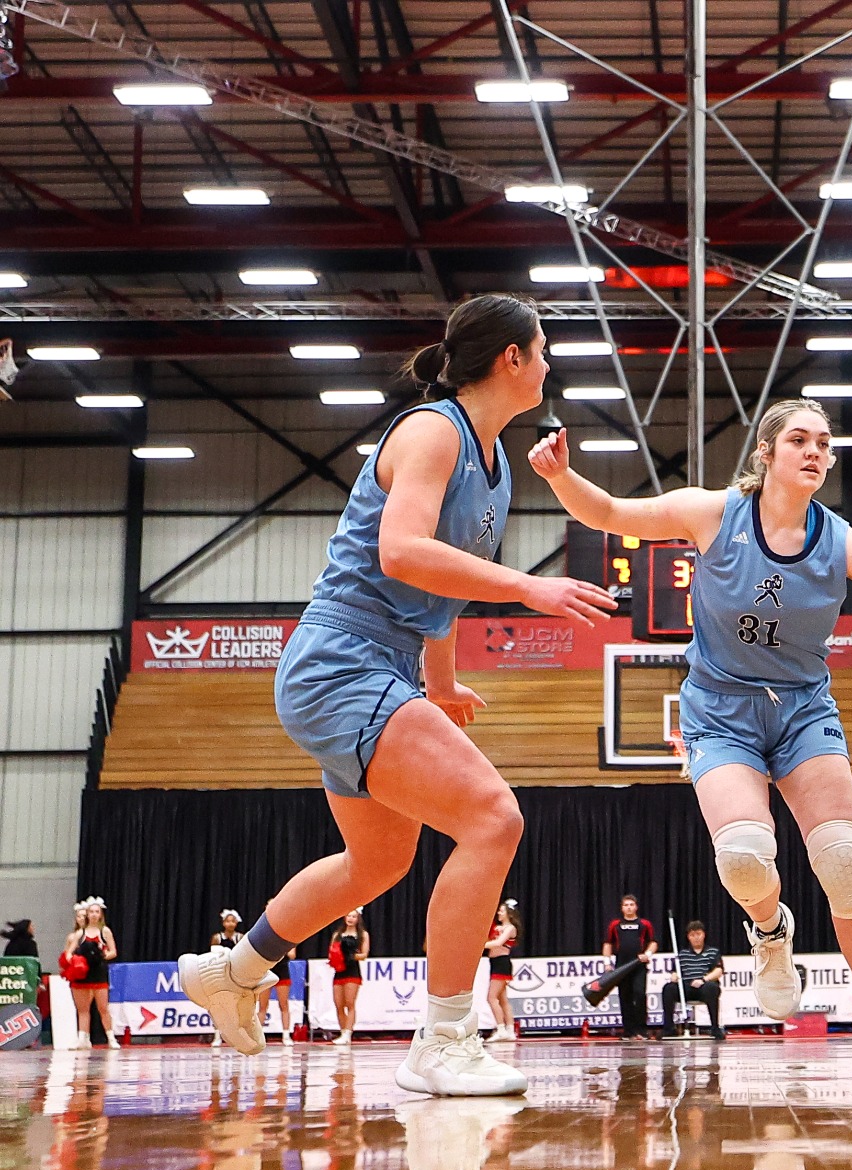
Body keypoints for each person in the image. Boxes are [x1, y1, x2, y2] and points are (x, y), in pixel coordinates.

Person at [177, 295, 612, 1097]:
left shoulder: (495, 464)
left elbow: (437, 589)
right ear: (510, 358)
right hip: (339, 657)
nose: (549, 363)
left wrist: (441, 685)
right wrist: (527, 587)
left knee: (379, 860)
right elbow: (403, 550)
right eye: (542, 349)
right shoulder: (432, 430)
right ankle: (444, 1037)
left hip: (387, 666)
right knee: (494, 817)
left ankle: (232, 971)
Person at [531, 397, 852, 1078]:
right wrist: (558, 475)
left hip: (802, 711)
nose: (816, 451)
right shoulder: (714, 514)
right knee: (746, 857)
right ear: (767, 453)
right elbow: (609, 514)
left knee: (845, 863)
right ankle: (769, 929)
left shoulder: (845, 542)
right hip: (720, 713)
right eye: (800, 440)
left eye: (824, 442)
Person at [63, 897, 117, 1049]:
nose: (93, 915)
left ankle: (111, 1038)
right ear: (87, 914)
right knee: (83, 1009)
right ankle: (83, 1038)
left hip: (99, 972)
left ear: (101, 914)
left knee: (103, 1008)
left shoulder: (104, 931)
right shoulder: (81, 933)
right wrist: (75, 961)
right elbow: (68, 952)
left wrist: (100, 956)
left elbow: (113, 951)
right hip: (83, 974)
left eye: (96, 912)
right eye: (91, 912)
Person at [602, 894, 657, 1041]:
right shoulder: (615, 925)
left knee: (639, 994)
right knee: (624, 997)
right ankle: (628, 1031)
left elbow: (653, 942)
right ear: (622, 908)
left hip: (639, 966)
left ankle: (642, 1029)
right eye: (626, 905)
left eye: (631, 904)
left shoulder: (645, 924)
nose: (629, 907)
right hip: (621, 967)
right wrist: (607, 963)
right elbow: (608, 943)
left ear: (636, 907)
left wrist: (648, 954)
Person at [674, 920, 726, 1038]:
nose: (696, 938)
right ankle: (669, 1028)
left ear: (704, 934)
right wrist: (674, 976)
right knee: (668, 989)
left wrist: (703, 980)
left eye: (698, 934)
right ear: (688, 937)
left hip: (705, 987)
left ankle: (715, 1027)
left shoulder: (713, 952)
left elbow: (719, 971)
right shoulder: (682, 954)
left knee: (712, 988)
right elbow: (675, 972)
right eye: (692, 935)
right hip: (687, 987)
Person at [207, 910, 245, 1048]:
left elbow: (242, 956)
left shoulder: (240, 937)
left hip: (235, 975)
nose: (230, 923)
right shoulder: (217, 938)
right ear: (223, 923)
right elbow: (212, 957)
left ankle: (237, 1036)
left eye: (233, 921)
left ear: (236, 923)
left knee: (237, 1007)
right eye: (227, 921)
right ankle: (217, 1035)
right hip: (220, 974)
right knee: (218, 1006)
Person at [329, 908, 367, 1045]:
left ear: (358, 919)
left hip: (352, 971)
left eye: (353, 916)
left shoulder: (362, 934)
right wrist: (337, 956)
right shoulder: (337, 934)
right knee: (339, 1004)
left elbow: (364, 955)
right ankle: (342, 1031)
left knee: (350, 1003)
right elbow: (331, 952)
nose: (350, 919)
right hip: (339, 971)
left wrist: (351, 955)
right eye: (348, 916)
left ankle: (348, 1033)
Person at [484, 899, 519, 1044]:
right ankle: (510, 1031)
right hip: (495, 963)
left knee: (491, 998)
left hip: (502, 963)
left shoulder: (510, 928)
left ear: (509, 913)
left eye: (501, 910)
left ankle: (501, 1029)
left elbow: (498, 943)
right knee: (503, 999)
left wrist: (479, 945)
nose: (499, 913)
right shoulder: (499, 927)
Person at [259, 942, 299, 1049]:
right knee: (262, 1006)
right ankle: (258, 1037)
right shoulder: (266, 936)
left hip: (282, 971)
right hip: (266, 972)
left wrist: (282, 947)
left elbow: (292, 955)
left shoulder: (289, 938)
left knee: (283, 1005)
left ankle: (286, 1035)